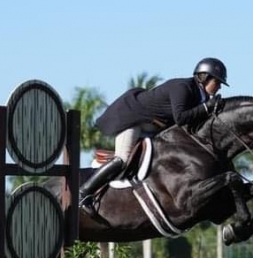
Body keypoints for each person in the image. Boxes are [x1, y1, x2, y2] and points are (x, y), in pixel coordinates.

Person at [79, 57, 229, 215]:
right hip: (132, 119)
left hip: (151, 127)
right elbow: (181, 118)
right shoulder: (183, 87)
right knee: (122, 159)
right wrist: (206, 108)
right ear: (205, 77)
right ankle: (83, 193)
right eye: (217, 82)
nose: (219, 87)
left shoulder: (199, 95)